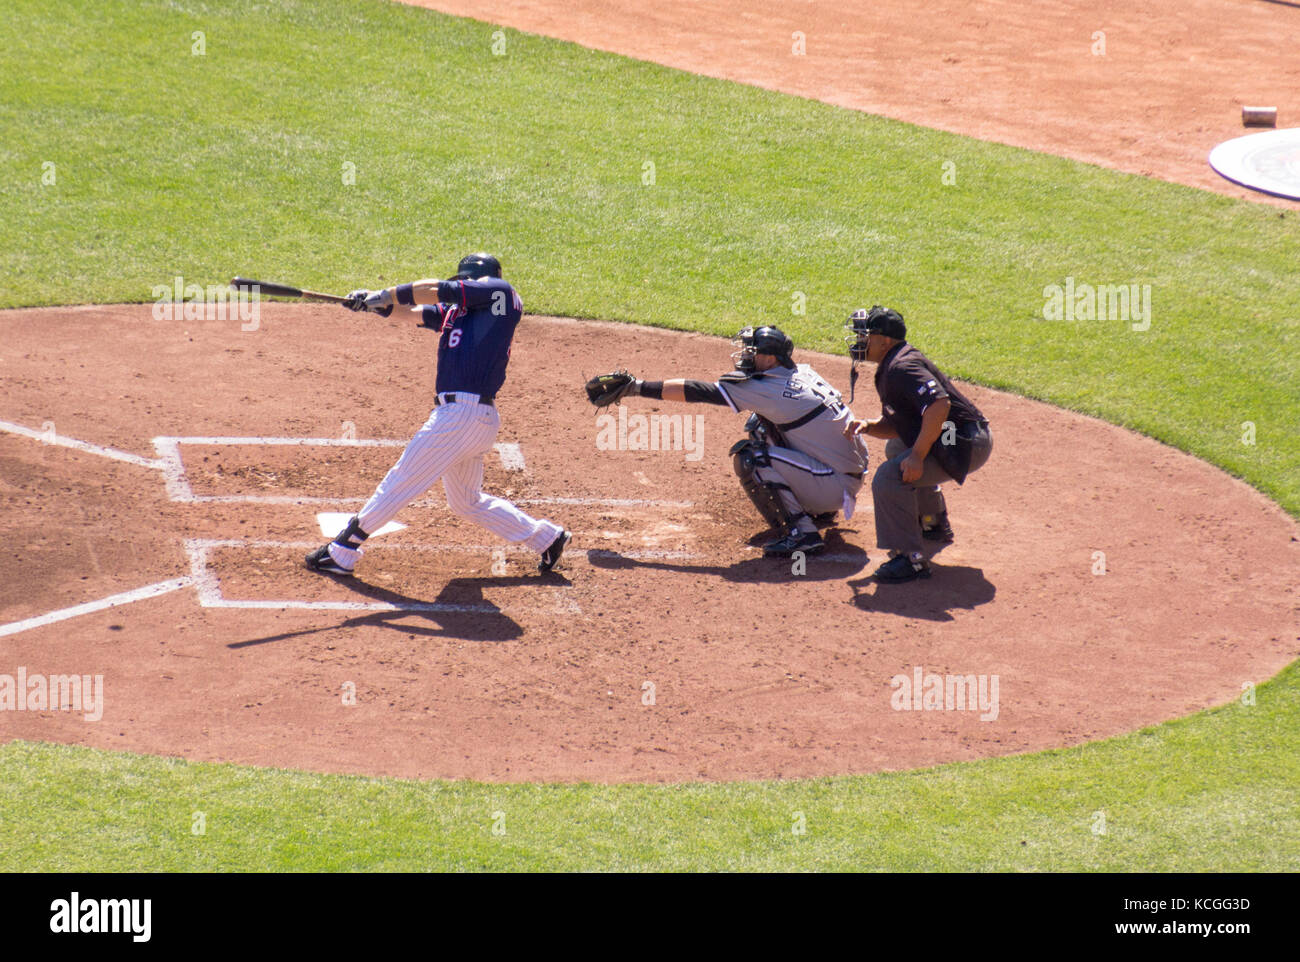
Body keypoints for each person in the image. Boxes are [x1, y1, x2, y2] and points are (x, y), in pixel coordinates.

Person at [304, 253, 571, 577]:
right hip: (473, 420)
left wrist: (387, 293)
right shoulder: (463, 313)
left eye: (463, 282)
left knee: (404, 476)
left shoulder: (499, 291)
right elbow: (416, 313)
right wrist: (374, 305)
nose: (460, 286)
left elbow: (436, 289)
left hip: (460, 417)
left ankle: (344, 548)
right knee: (466, 502)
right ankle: (547, 538)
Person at [590, 325, 868, 557]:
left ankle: (803, 534)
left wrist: (637, 387)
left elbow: (699, 391)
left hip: (834, 483)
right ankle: (817, 511)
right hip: (843, 472)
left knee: (753, 458)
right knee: (759, 426)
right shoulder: (802, 372)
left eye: (753, 352)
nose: (746, 356)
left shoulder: (771, 390)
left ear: (770, 359)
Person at [843, 306, 992, 583]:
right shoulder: (894, 362)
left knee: (890, 477)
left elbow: (939, 404)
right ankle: (931, 522)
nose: (859, 340)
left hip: (965, 442)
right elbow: (903, 424)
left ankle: (910, 560)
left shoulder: (901, 367)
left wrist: (918, 456)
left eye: (865, 335)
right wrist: (870, 426)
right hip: (961, 436)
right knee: (897, 449)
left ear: (884, 341)